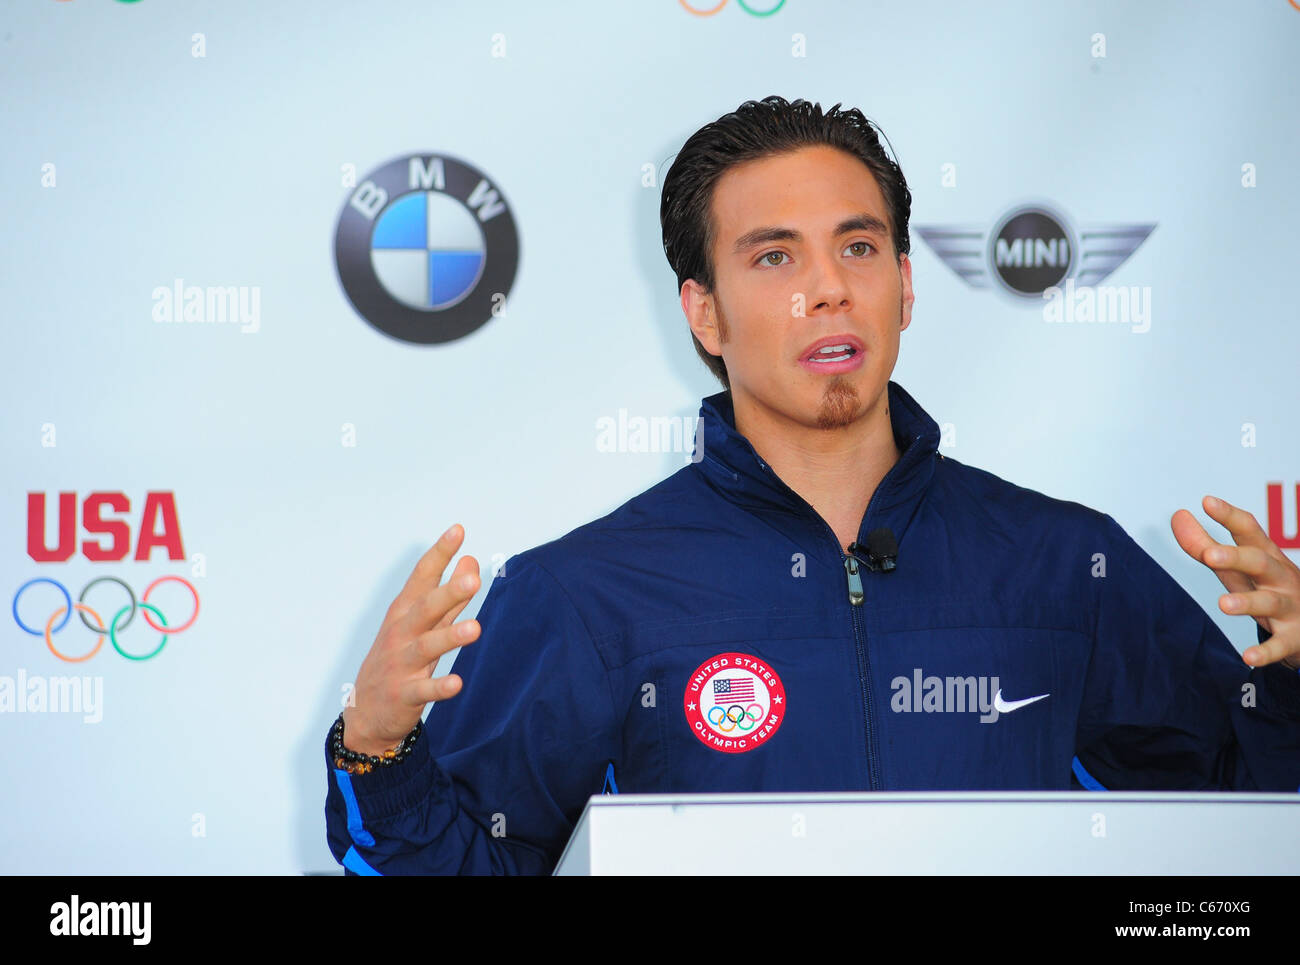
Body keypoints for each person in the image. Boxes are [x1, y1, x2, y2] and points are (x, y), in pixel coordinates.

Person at [324, 96, 1300, 876]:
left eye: (858, 246)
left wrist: (1295, 684)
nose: (828, 286)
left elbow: (1240, 839)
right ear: (703, 312)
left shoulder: (1065, 564)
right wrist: (376, 749)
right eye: (774, 255)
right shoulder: (581, 594)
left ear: (906, 287)